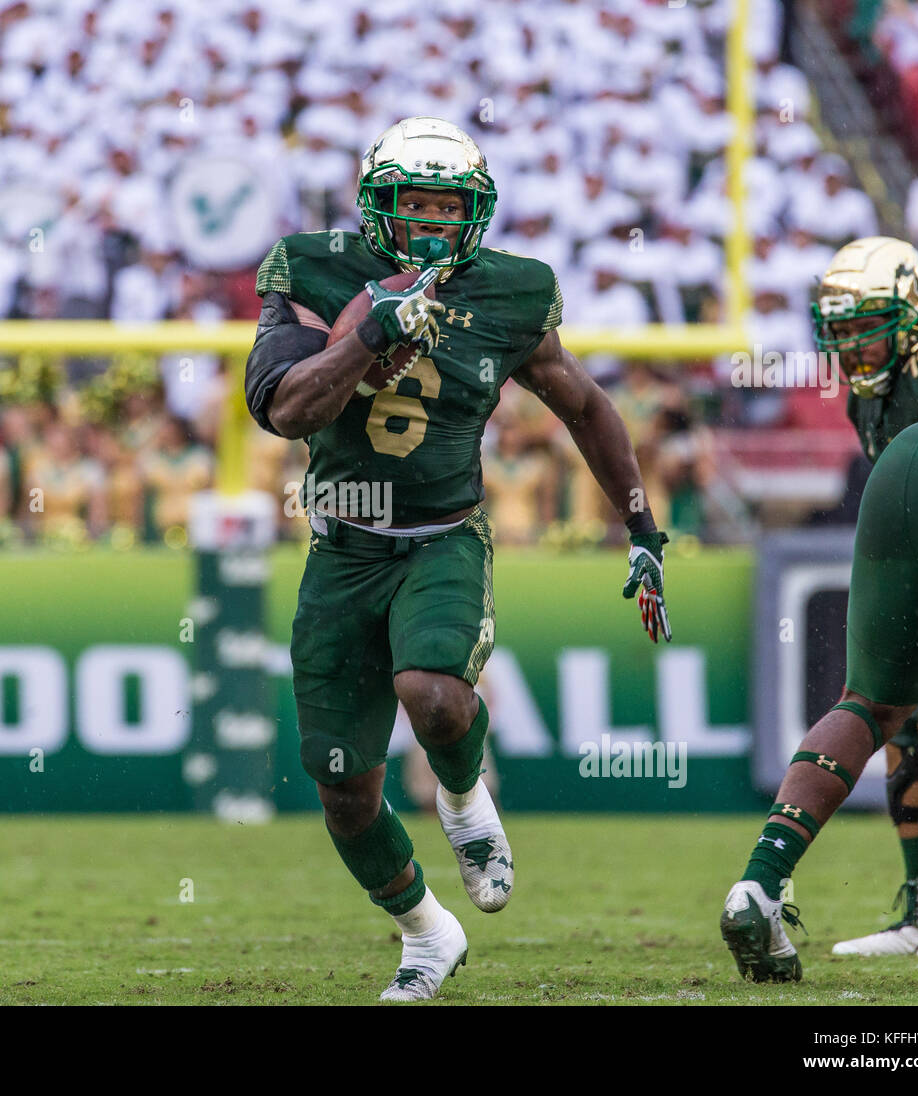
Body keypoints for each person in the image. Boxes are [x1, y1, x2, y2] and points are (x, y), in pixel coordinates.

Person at [245, 117, 670, 1001]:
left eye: (451, 206)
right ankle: (427, 933)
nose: (434, 222)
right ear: (377, 207)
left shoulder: (514, 291)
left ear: (477, 212)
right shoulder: (311, 267)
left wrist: (642, 529)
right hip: (341, 548)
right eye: (416, 205)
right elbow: (284, 412)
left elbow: (584, 406)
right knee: (344, 792)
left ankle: (467, 799)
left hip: (443, 534)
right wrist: (368, 336)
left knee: (434, 694)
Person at [719, 236, 918, 979]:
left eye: (869, 323)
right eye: (843, 327)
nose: (853, 344)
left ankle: (762, 884)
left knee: (885, 701)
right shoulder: (888, 389)